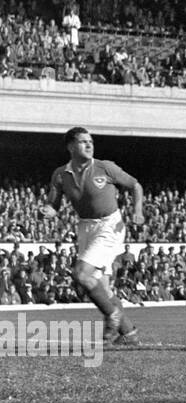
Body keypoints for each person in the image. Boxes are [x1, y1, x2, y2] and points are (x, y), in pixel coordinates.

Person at [42, 127, 145, 345]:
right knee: (99, 286)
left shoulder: (105, 167)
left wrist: (137, 211)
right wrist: (48, 211)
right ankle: (129, 333)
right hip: (85, 227)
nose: (89, 145)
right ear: (71, 146)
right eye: (83, 142)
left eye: (91, 141)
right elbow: (54, 204)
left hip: (109, 225)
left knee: (81, 273)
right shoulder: (61, 175)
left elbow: (135, 185)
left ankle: (112, 315)